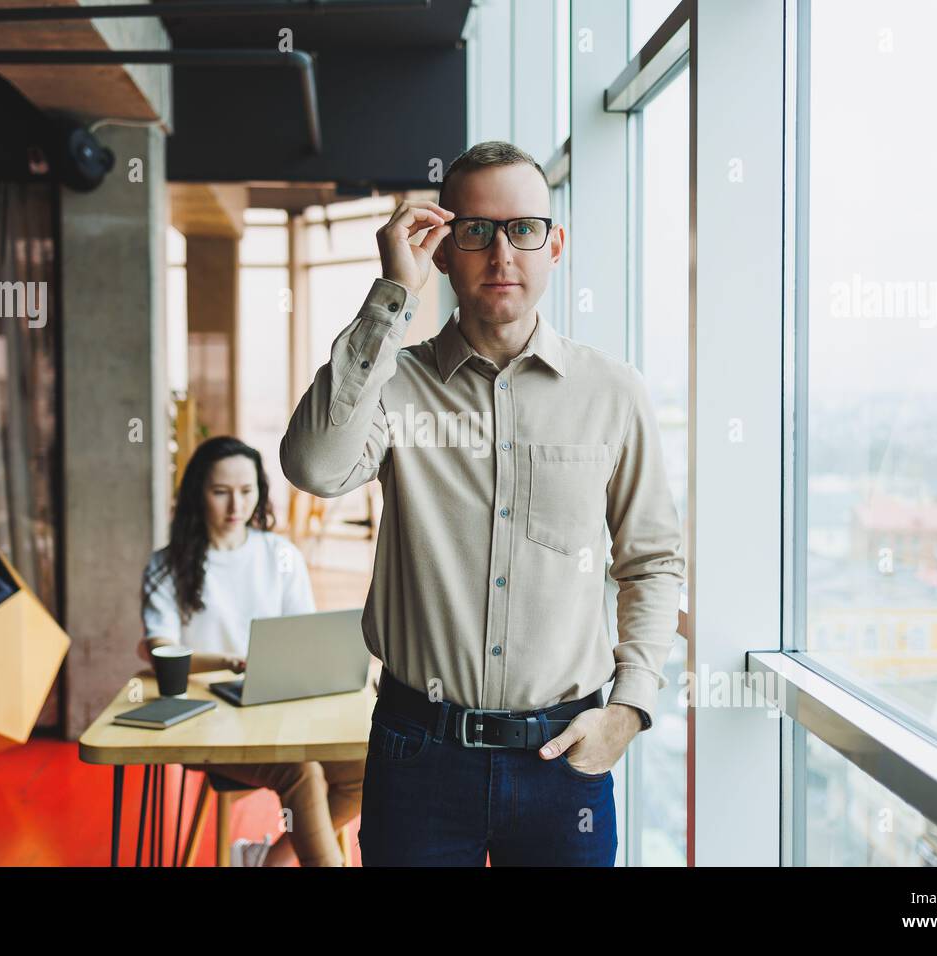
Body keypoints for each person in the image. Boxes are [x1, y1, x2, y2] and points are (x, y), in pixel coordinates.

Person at [281, 141, 685, 865]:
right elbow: (313, 466)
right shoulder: (395, 384)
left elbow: (652, 562)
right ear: (440, 250)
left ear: (554, 244)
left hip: (564, 759)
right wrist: (388, 298)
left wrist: (629, 707)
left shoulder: (612, 393)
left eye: (523, 228)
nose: (503, 253)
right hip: (418, 755)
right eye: (476, 231)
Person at [140, 435, 366, 867]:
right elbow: (160, 648)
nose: (235, 506)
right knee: (302, 772)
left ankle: (269, 858)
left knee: (368, 768)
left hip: (278, 711)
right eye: (220, 492)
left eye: (247, 492)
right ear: (196, 494)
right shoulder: (167, 565)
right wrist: (227, 662)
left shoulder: (280, 554)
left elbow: (304, 634)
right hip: (205, 720)